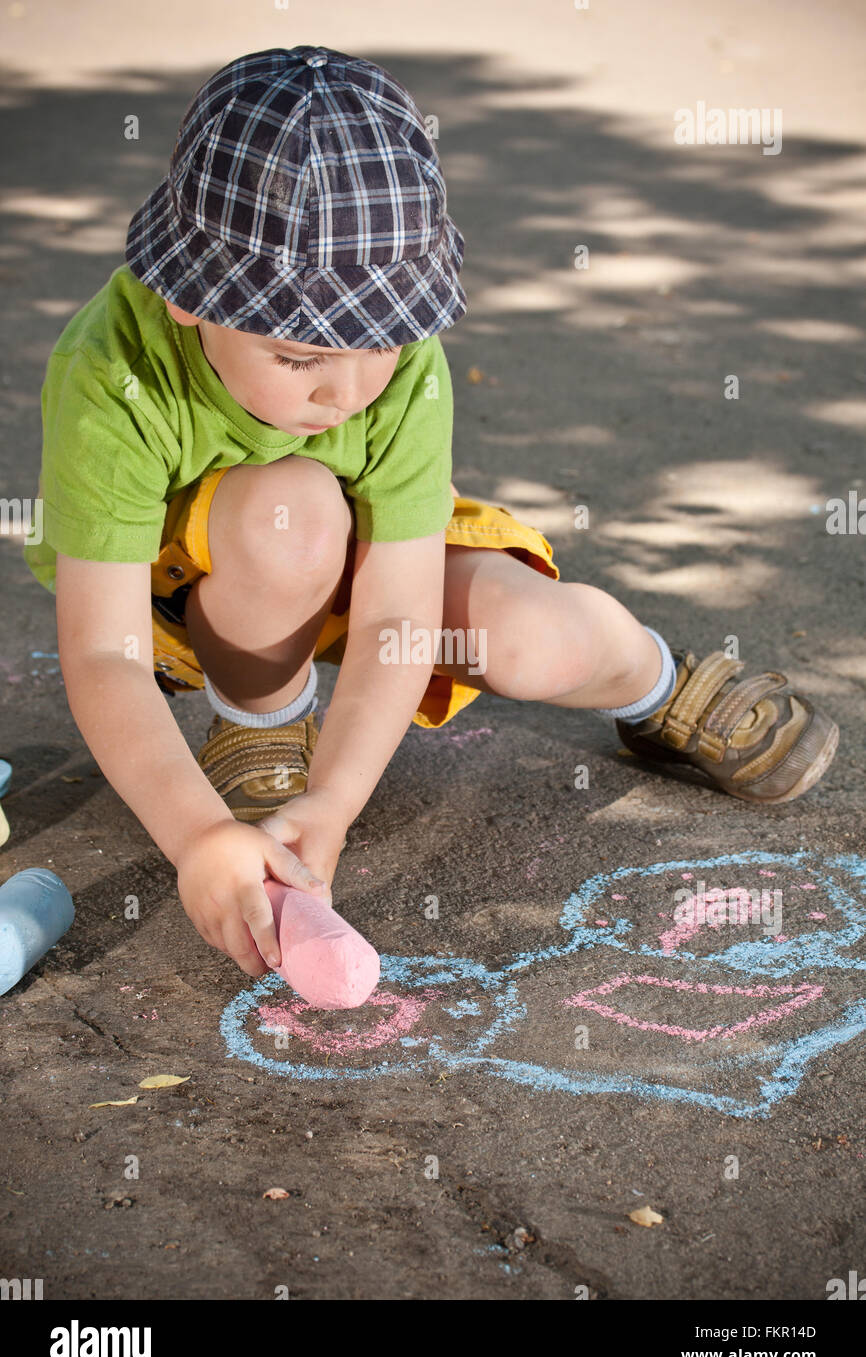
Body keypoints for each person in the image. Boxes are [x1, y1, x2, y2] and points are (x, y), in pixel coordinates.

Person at [24, 46, 838, 980]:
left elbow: (401, 617)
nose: (350, 390)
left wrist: (333, 803)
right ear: (183, 297)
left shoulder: (396, 366)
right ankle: (257, 725)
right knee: (284, 507)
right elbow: (101, 653)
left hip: (376, 557)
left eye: (383, 340)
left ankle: (659, 683)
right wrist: (197, 834)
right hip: (200, 594)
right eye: (299, 358)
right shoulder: (116, 374)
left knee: (537, 639)